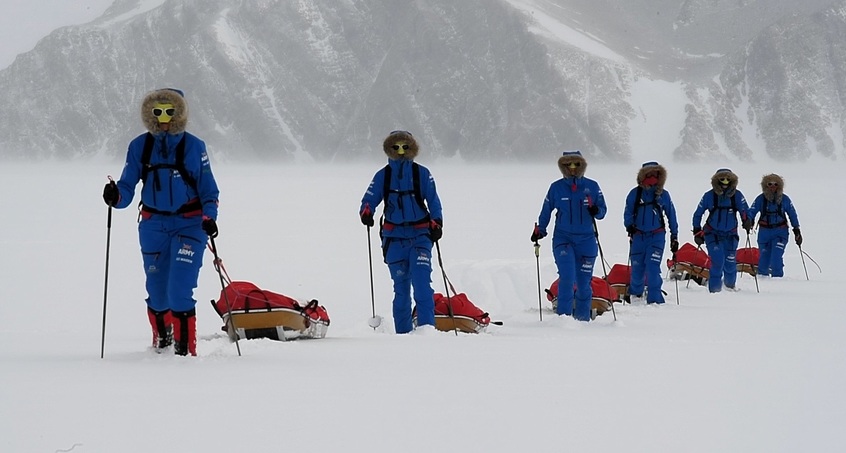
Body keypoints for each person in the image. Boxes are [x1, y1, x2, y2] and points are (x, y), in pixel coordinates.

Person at [102, 88, 220, 356]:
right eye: (158, 112)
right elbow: (127, 188)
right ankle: (161, 343)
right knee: (157, 292)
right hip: (153, 225)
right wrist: (115, 196)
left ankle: (184, 354)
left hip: (190, 225)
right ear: (150, 114)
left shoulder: (194, 147)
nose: (164, 117)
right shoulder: (139, 147)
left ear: (179, 113)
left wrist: (209, 218)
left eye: (170, 112)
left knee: (179, 290)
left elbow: (209, 191)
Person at [359, 130, 443, 334]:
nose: (401, 151)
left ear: (411, 148)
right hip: (394, 240)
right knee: (402, 291)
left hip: (420, 237)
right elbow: (368, 199)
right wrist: (366, 212)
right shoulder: (383, 176)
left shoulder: (421, 174)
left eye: (405, 146)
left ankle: (427, 332)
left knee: (423, 288)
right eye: (396, 147)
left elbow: (433, 201)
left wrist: (437, 222)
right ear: (389, 149)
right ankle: (403, 336)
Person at [531, 150, 607, 321]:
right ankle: (563, 319)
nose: (572, 168)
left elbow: (603, 211)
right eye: (568, 165)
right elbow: (546, 211)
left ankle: (582, 319)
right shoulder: (556, 188)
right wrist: (540, 230)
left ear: (582, 166)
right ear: (563, 167)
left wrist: (597, 210)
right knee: (567, 277)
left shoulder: (592, 186)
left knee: (583, 283)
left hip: (587, 240)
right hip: (563, 239)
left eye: (576, 164)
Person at [623, 161, 679, 304]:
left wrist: (674, 236)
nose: (652, 177)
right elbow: (628, 212)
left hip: (657, 236)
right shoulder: (634, 194)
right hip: (638, 236)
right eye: (649, 174)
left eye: (655, 174)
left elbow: (671, 215)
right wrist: (629, 226)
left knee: (653, 268)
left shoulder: (663, 195)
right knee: (637, 270)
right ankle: (636, 295)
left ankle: (655, 300)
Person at [691, 168, 749, 293]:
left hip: (731, 235)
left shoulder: (737, 196)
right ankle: (715, 291)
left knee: (730, 262)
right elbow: (698, 213)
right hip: (712, 234)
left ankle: (730, 288)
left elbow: (745, 210)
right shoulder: (709, 195)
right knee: (717, 261)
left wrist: (747, 221)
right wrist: (697, 230)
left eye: (728, 179)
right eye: (722, 179)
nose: (725, 182)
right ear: (716, 181)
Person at [744, 174, 801, 277]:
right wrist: (749, 220)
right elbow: (752, 210)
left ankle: (778, 280)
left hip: (780, 232)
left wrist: (796, 229)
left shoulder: (785, 199)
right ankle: (763, 281)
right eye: (770, 184)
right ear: (765, 185)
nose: (773, 186)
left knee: (776, 258)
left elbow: (792, 214)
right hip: (764, 233)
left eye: (775, 184)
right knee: (764, 259)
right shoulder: (760, 199)